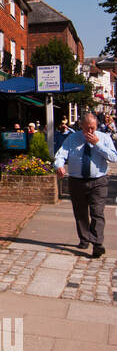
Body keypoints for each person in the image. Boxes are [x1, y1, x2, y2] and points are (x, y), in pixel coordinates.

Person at [53, 109, 117, 258]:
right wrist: (59, 165)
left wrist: (98, 144)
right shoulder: (72, 138)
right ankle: (84, 238)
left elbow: (114, 157)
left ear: (97, 126)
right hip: (77, 181)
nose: (90, 131)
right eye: (87, 128)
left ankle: (97, 244)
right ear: (81, 126)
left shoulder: (104, 138)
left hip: (98, 181)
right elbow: (61, 154)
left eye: (93, 128)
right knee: (80, 212)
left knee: (97, 213)